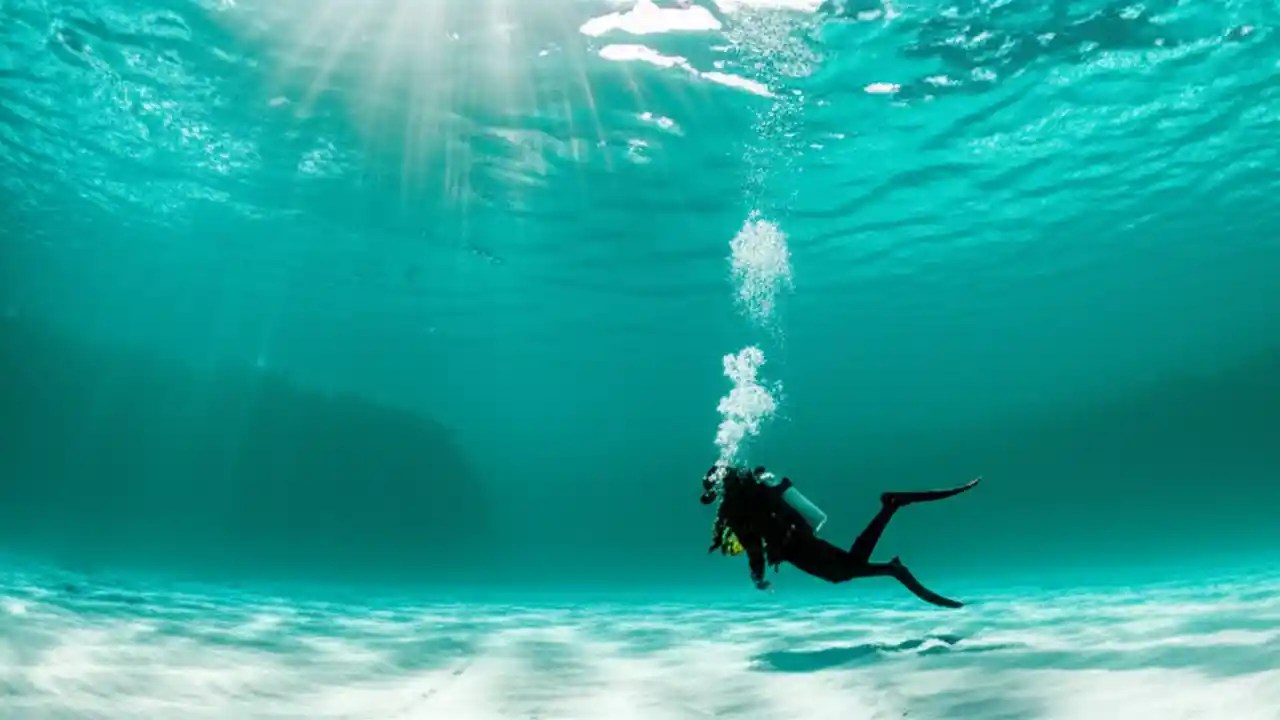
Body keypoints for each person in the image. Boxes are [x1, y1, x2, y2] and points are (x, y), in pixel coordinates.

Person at [701, 465, 979, 608]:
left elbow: (753, 548)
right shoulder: (756, 492)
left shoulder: (736, 509)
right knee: (844, 570)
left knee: (843, 572)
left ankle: (891, 511)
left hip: (797, 546)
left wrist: (758, 577)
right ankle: (891, 558)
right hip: (799, 538)